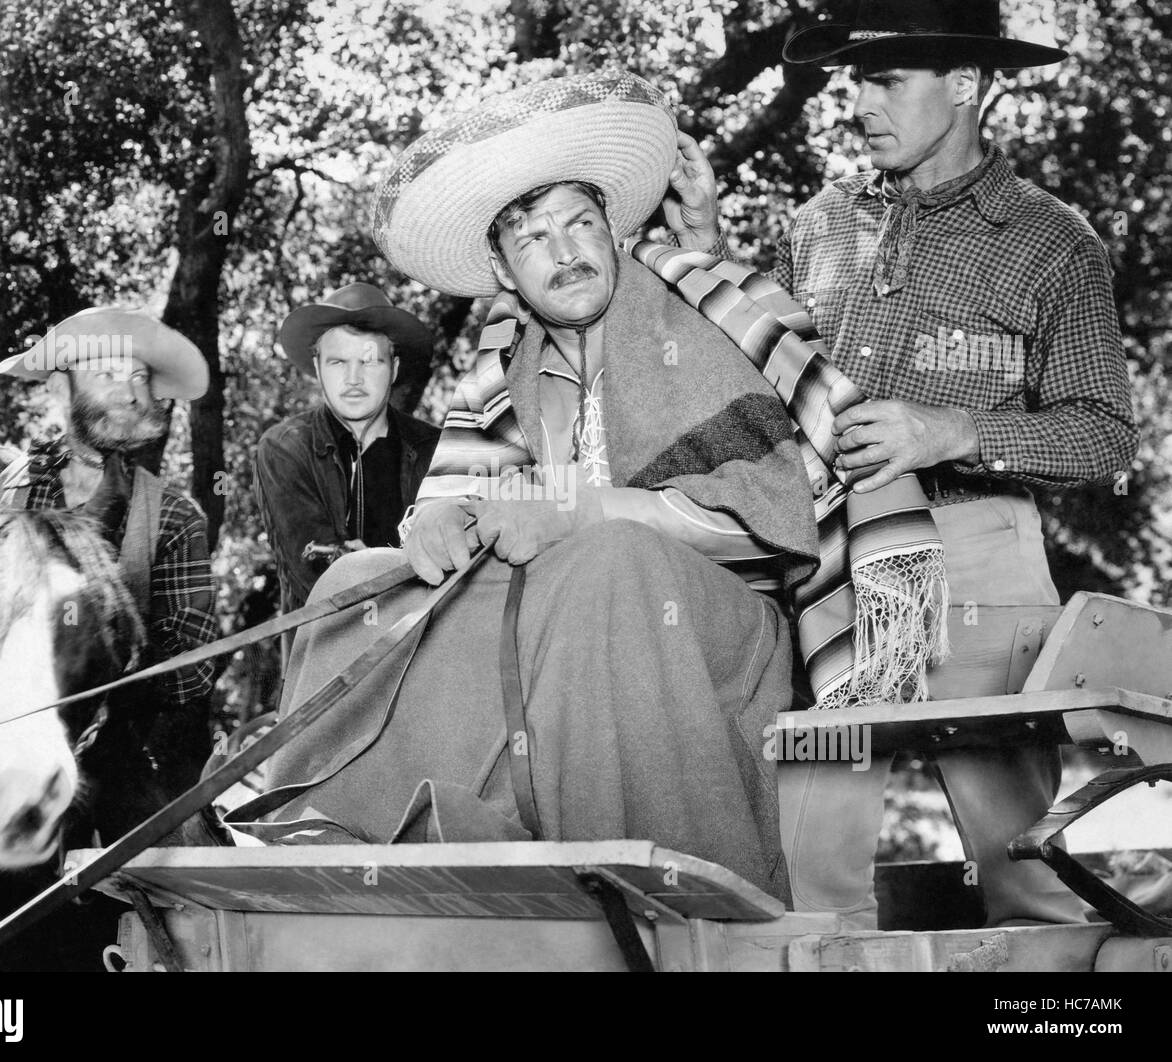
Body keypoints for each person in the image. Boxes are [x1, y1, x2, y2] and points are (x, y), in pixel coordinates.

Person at [238, 70, 824, 899]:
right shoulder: (498, 366)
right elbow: (472, 503)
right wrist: (438, 527)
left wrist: (584, 512)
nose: (567, 250)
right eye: (534, 238)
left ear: (612, 232)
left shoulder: (703, 315)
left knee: (608, 558)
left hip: (711, 628)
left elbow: (775, 519)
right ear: (505, 272)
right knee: (354, 581)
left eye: (581, 223)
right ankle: (334, 840)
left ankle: (655, 891)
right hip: (559, 608)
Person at [667, 0, 1139, 926]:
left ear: (966, 85)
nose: (859, 102)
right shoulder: (819, 226)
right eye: (854, 80)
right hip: (833, 561)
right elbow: (772, 384)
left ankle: (1056, 1023)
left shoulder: (1055, 242)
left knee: (1027, 880)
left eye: (885, 80)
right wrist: (705, 255)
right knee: (807, 876)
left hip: (983, 563)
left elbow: (1105, 434)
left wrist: (953, 431)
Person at [0, 307, 220, 794]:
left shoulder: (173, 517)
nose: (128, 391)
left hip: (111, 766)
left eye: (138, 376)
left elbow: (192, 670)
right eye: (106, 374)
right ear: (60, 388)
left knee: (154, 860)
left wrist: (93, 658)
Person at [254, 284, 438, 616]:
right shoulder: (285, 448)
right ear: (318, 367)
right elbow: (320, 578)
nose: (353, 379)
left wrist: (364, 564)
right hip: (323, 655)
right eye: (338, 362)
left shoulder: (437, 449)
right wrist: (408, 567)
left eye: (369, 361)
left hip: (425, 651)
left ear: (393, 368)